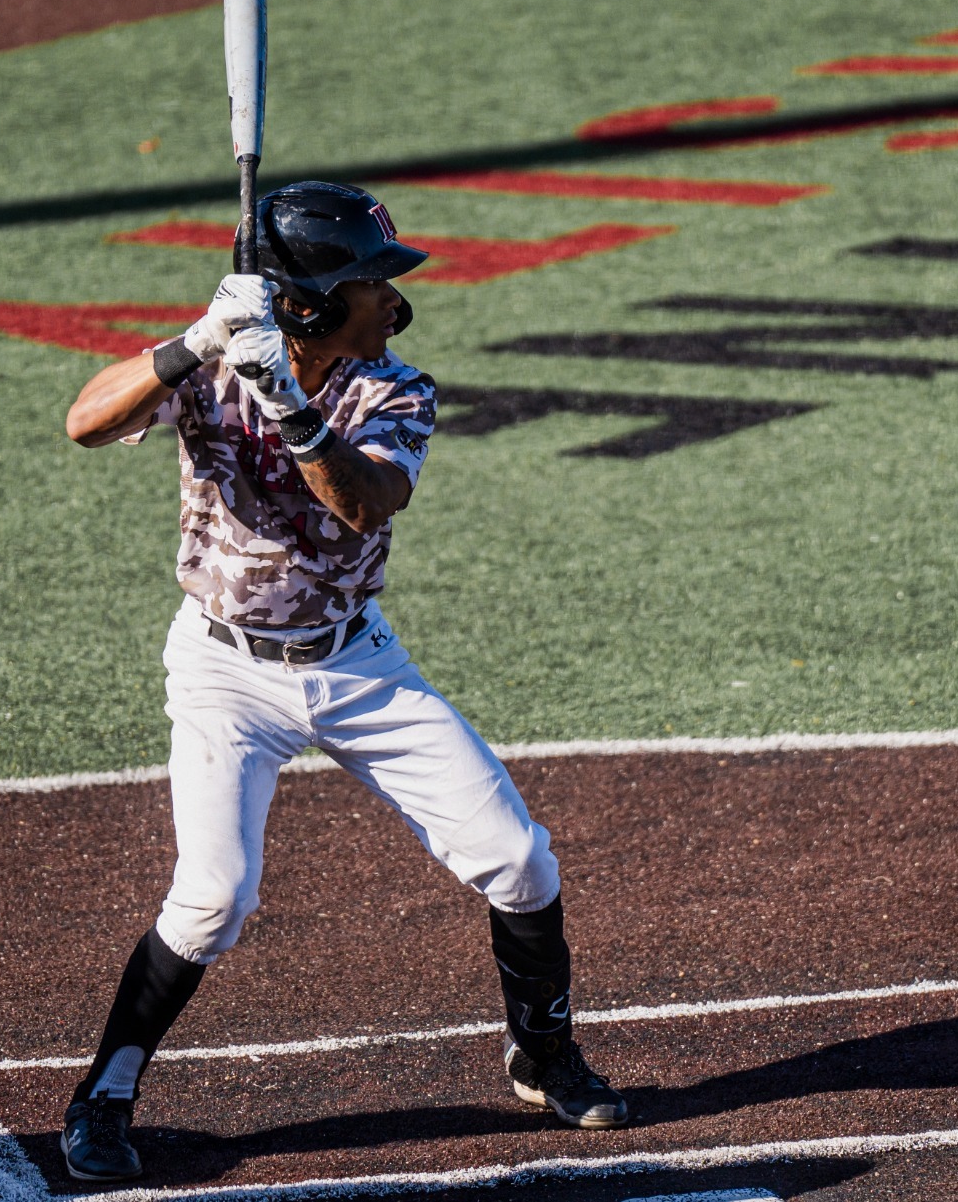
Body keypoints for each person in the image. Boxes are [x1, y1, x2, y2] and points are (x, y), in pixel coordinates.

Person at [58, 181, 630, 1183]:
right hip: (222, 673)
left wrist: (286, 398)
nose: (395, 303)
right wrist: (194, 343)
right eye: (372, 284)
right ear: (311, 302)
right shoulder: (213, 366)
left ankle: (542, 1056)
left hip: (357, 665)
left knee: (518, 861)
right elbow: (84, 423)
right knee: (211, 900)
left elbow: (364, 505)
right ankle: (101, 1094)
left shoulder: (395, 389)